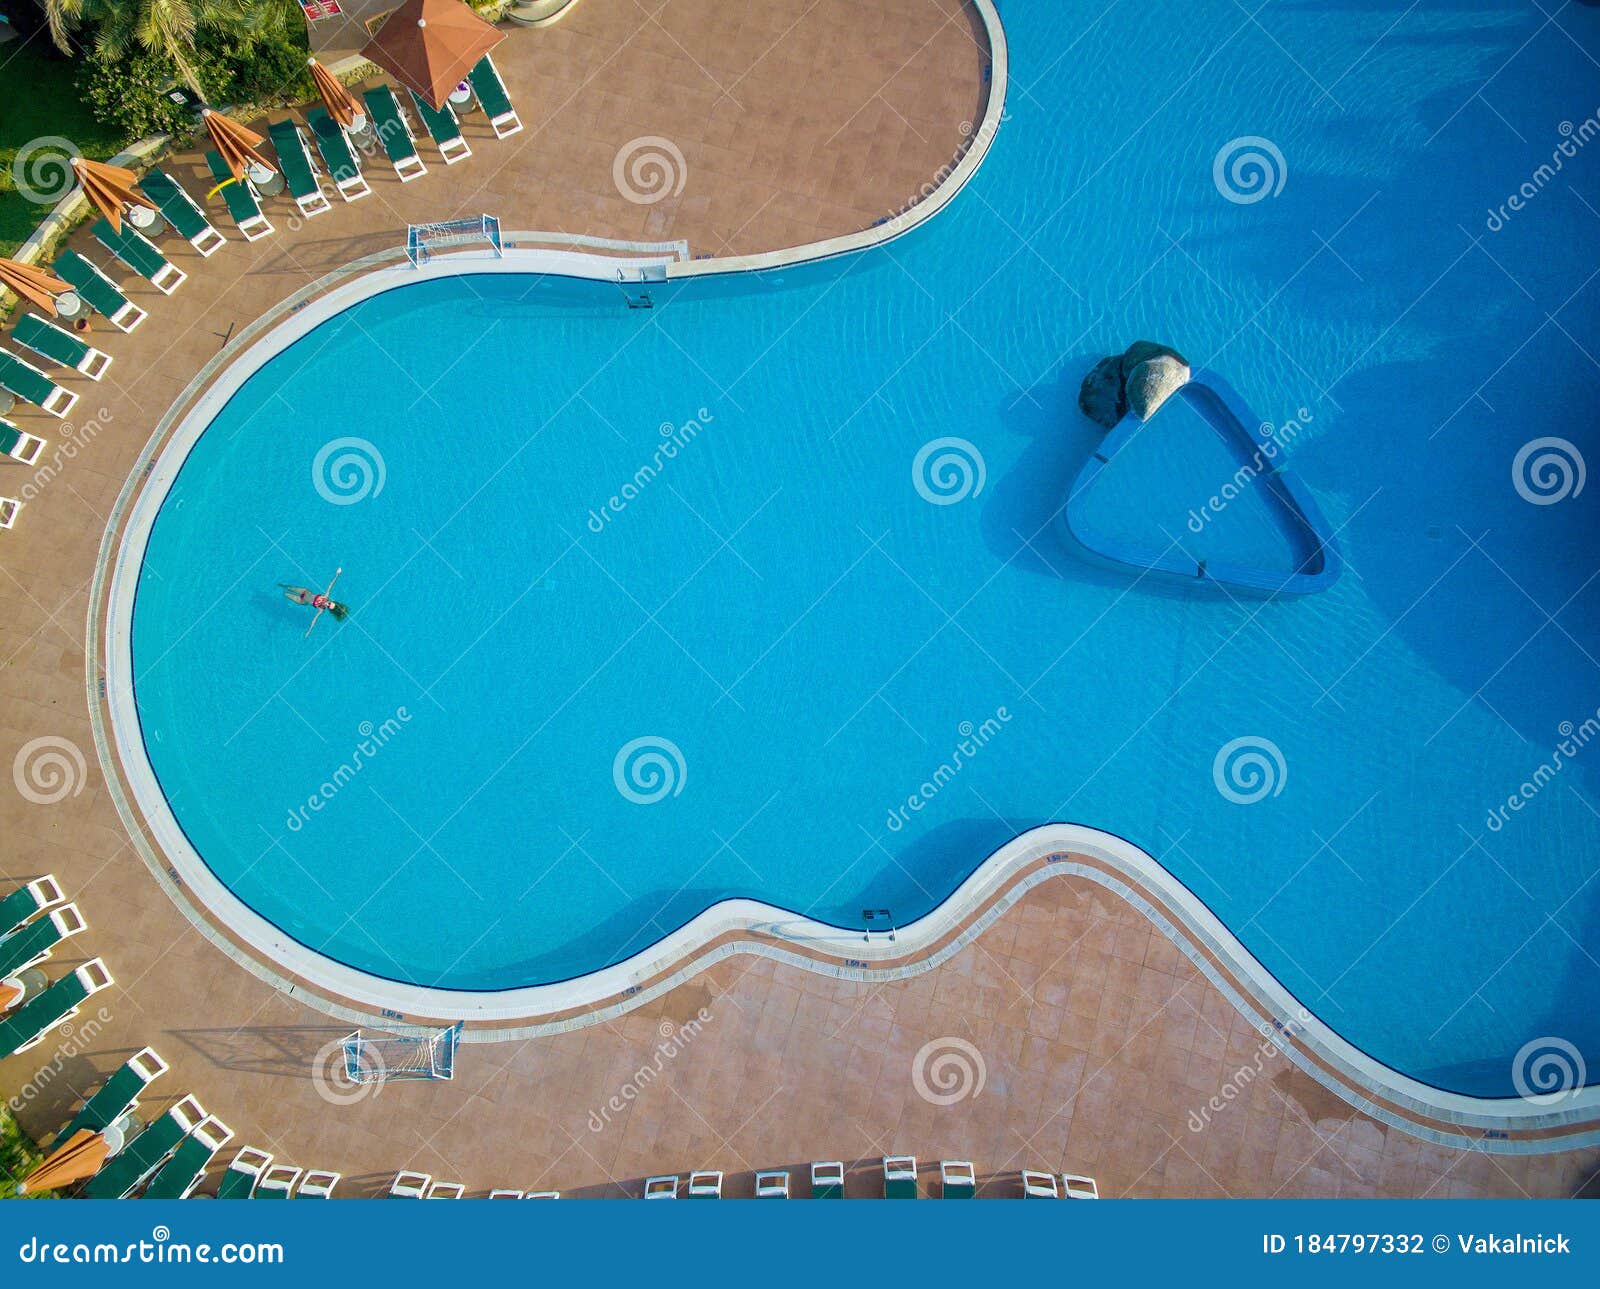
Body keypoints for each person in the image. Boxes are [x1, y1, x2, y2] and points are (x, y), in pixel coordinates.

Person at [280, 584, 349, 620]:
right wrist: (337, 575)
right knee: (288, 588)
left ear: (328, 609)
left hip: (301, 601)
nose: (327, 604)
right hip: (304, 591)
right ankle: (280, 585)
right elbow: (330, 585)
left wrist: (309, 629)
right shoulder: (325, 596)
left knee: (286, 594)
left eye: (328, 606)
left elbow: (315, 619)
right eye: (330, 603)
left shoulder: (321, 609)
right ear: (331, 601)